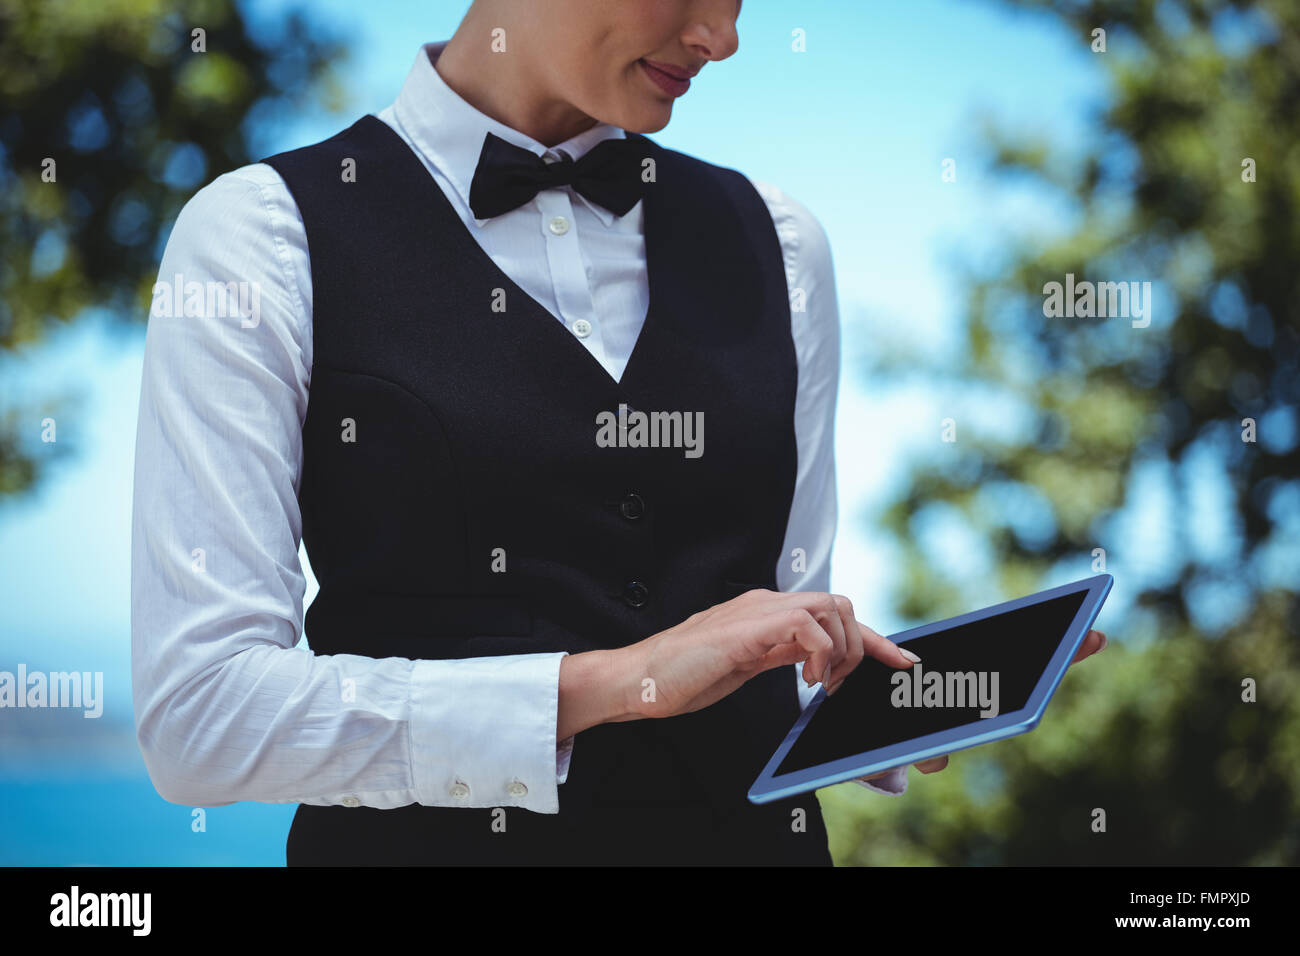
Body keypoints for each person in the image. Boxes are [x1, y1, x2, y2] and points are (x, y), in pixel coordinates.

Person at [131, 0, 1107, 866]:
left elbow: (776, 641)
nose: (720, 37)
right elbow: (200, 715)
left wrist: (874, 712)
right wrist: (612, 684)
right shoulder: (258, 237)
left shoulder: (783, 241)